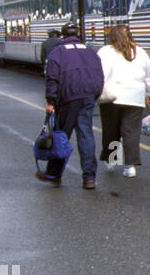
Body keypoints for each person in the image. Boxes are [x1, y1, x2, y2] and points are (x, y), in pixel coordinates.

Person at [40, 23, 104, 189]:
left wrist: (51, 101)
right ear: (78, 34)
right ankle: (89, 178)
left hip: (67, 98)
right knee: (86, 135)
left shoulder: (57, 53)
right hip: (88, 97)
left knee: (61, 137)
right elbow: (100, 76)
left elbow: (52, 79)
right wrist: (94, 95)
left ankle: (54, 173)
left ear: (62, 35)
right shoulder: (91, 52)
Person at [97, 24, 150, 179]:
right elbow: (149, 74)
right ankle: (130, 167)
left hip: (112, 97)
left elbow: (99, 74)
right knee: (131, 132)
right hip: (135, 98)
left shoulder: (105, 51)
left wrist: (95, 92)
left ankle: (112, 161)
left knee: (111, 130)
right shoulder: (140, 52)